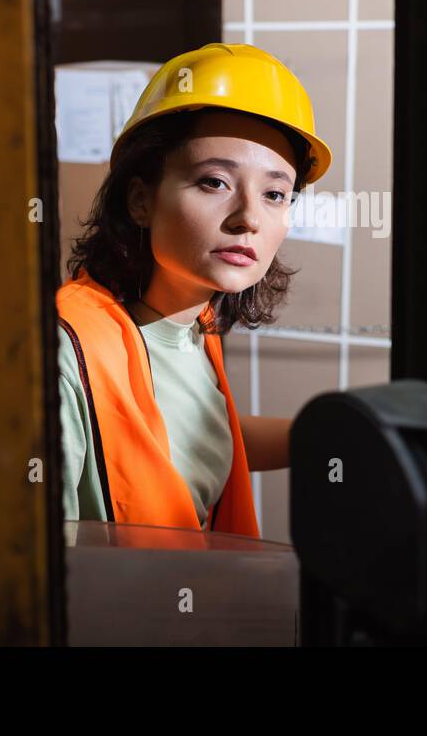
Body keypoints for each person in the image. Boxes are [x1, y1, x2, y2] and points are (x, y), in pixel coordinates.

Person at [57, 43, 332, 537]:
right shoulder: (66, 348)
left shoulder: (192, 326)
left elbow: (193, 434)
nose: (249, 218)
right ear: (141, 200)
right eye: (214, 182)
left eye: (275, 194)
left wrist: (339, 433)